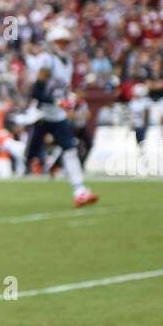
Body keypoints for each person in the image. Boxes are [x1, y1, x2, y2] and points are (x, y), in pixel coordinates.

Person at [26, 26, 97, 206]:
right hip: (41, 114)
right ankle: (6, 148)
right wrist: (57, 101)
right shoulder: (48, 61)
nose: (63, 46)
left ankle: (80, 190)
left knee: (70, 149)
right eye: (60, 42)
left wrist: (71, 101)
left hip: (57, 116)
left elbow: (63, 90)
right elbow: (36, 92)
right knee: (29, 155)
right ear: (52, 43)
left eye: (66, 42)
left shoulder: (68, 62)